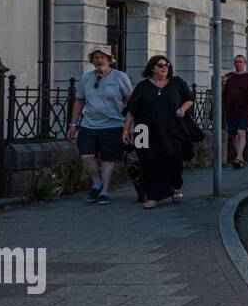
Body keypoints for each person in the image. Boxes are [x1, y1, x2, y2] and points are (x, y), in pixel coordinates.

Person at [123, 55, 195, 209]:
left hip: (172, 130)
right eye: (160, 65)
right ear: (152, 68)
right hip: (145, 131)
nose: (164, 68)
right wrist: (126, 130)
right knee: (149, 163)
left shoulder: (177, 83)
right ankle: (153, 197)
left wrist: (183, 108)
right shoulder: (143, 86)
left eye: (166, 65)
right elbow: (131, 110)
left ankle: (176, 186)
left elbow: (189, 99)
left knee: (174, 163)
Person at [66, 47, 133, 205]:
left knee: (107, 159)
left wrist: (129, 126)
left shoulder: (120, 77)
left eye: (103, 57)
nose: (99, 60)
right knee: (86, 156)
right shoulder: (86, 78)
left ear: (109, 60)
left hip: (113, 124)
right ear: (92, 61)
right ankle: (97, 183)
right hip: (89, 124)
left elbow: (130, 100)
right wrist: (73, 124)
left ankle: (105, 191)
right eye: (96, 57)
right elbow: (79, 101)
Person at [221, 54, 248, 169]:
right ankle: (240, 159)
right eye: (236, 62)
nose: (238, 64)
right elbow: (220, 92)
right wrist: (223, 84)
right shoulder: (229, 76)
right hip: (230, 110)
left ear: (245, 63)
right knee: (234, 136)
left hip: (243, 110)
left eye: (240, 62)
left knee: (241, 132)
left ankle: (237, 157)